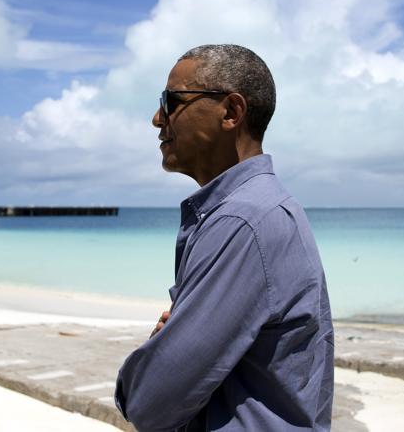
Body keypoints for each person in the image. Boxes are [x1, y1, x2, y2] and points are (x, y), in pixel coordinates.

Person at [114, 44, 334, 431]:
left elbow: (149, 402)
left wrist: (154, 357)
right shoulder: (257, 209)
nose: (157, 118)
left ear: (231, 112)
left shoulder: (241, 221)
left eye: (171, 101)